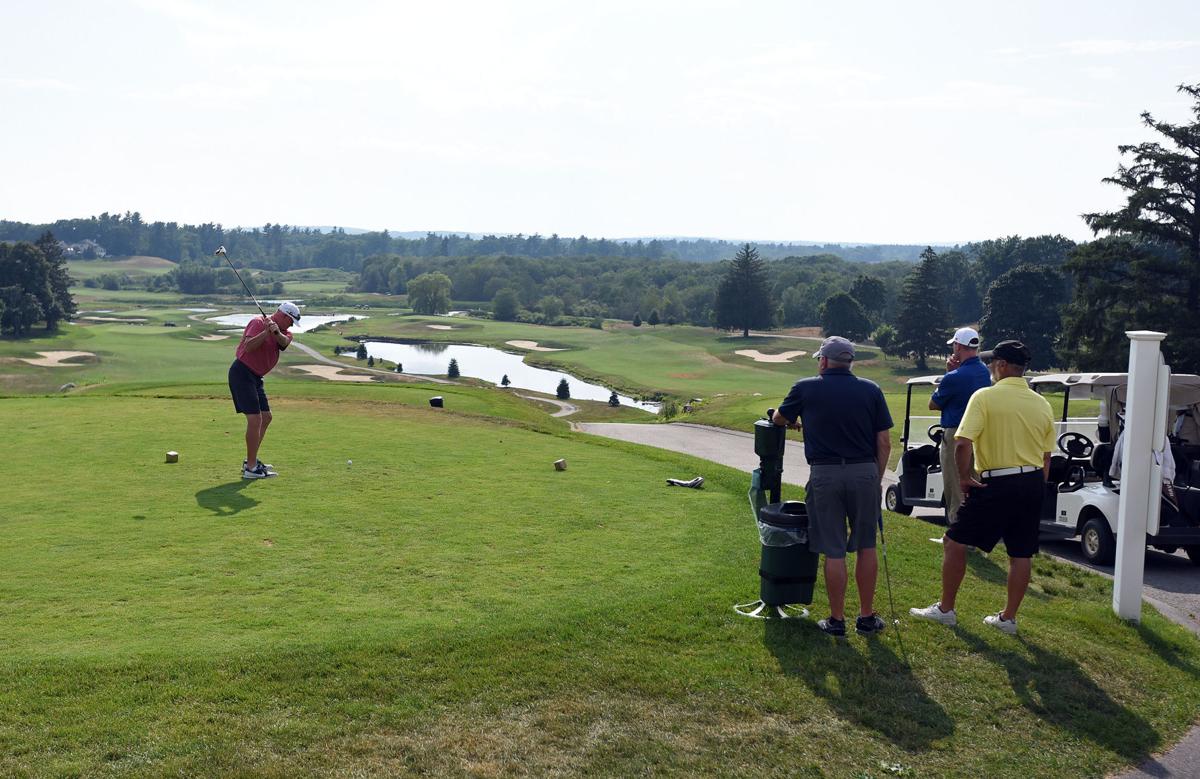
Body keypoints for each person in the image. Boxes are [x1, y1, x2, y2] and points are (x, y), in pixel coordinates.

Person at [910, 340, 1055, 635]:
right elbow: (1046, 456)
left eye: (992, 363)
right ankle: (1008, 619)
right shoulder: (1042, 403)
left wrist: (963, 478)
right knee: (1021, 552)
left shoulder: (985, 396)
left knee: (954, 541)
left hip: (998, 480)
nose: (990, 368)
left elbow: (963, 443)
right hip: (1032, 481)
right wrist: (1035, 486)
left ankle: (946, 610)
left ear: (1001, 366)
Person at [772, 336, 893, 637]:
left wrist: (794, 421)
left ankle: (837, 620)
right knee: (866, 545)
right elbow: (884, 442)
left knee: (834, 550)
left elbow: (778, 418)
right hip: (865, 471)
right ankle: (866, 617)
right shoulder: (871, 390)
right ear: (850, 361)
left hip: (825, 474)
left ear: (824, 361)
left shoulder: (806, 387)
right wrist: (875, 479)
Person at [228, 302, 300, 479]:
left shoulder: (284, 333)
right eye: (290, 322)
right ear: (284, 316)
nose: (291, 326)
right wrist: (266, 332)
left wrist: (275, 332)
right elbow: (248, 346)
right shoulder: (257, 322)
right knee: (255, 419)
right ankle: (251, 469)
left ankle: (250, 460)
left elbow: (284, 343)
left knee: (266, 417)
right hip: (242, 373)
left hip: (256, 378)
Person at [928, 327, 991, 524]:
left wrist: (949, 374)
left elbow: (933, 404)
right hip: (979, 435)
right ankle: (973, 533)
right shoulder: (984, 372)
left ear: (959, 346)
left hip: (956, 433)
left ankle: (958, 535)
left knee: (955, 485)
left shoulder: (953, 377)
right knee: (973, 481)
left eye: (954, 344)